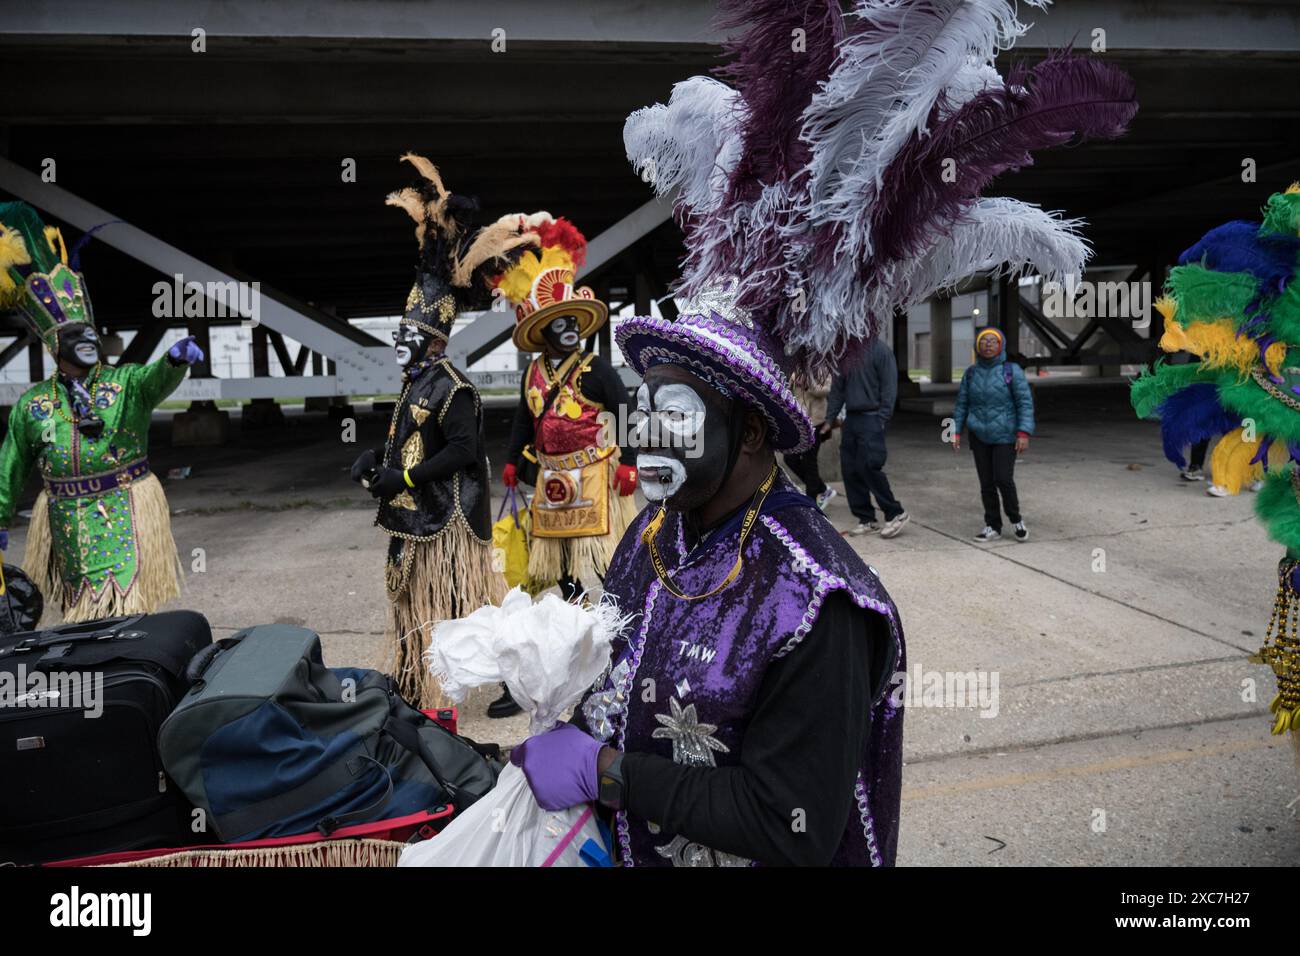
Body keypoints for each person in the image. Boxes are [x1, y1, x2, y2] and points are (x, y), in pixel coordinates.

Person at [350, 154, 529, 711]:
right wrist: (374, 459)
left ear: (433, 339)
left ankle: (515, 683)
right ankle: (412, 678)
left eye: (408, 334)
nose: (398, 342)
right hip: (415, 511)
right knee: (414, 604)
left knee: (469, 603)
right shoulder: (413, 383)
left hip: (449, 520)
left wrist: (401, 474)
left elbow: (461, 451)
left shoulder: (454, 386)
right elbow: (411, 435)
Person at [0, 201, 204, 621]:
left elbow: (153, 382)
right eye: (78, 335)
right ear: (56, 344)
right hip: (65, 516)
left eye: (91, 332)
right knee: (80, 610)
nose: (89, 340)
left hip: (124, 505)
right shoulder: (33, 405)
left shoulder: (124, 383)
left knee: (126, 609)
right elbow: (12, 464)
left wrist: (174, 360)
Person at [498, 214, 638, 604]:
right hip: (552, 478)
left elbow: (623, 410)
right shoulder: (532, 375)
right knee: (557, 558)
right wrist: (512, 462)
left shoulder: (597, 369)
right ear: (545, 331)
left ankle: (617, 615)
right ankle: (575, 610)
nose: (571, 327)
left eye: (574, 321)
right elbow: (523, 422)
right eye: (562, 322)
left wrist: (630, 463)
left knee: (606, 558)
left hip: (597, 472)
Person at [952, 327, 1035, 542]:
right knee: (986, 483)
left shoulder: (1012, 371)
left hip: (1005, 436)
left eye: (993, 341)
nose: (988, 344)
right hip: (979, 435)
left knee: (1003, 479)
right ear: (977, 346)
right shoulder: (970, 373)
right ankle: (992, 525)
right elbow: (962, 404)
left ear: (1001, 345)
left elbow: (1024, 403)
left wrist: (1023, 432)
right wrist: (956, 431)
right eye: (984, 341)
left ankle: (1016, 519)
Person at [822, 337, 909, 538]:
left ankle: (896, 513)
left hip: (872, 417)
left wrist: (882, 417)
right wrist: (829, 419)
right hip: (851, 419)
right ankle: (866, 519)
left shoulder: (881, 351)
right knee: (850, 469)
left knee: (869, 466)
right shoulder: (845, 353)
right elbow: (837, 389)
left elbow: (889, 386)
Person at [783, 375, 836, 511]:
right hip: (798, 420)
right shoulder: (796, 367)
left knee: (809, 460)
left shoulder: (821, 367)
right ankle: (822, 488)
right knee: (790, 458)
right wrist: (791, 381)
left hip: (816, 420)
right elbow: (786, 389)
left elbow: (824, 390)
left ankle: (811, 502)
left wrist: (808, 383)